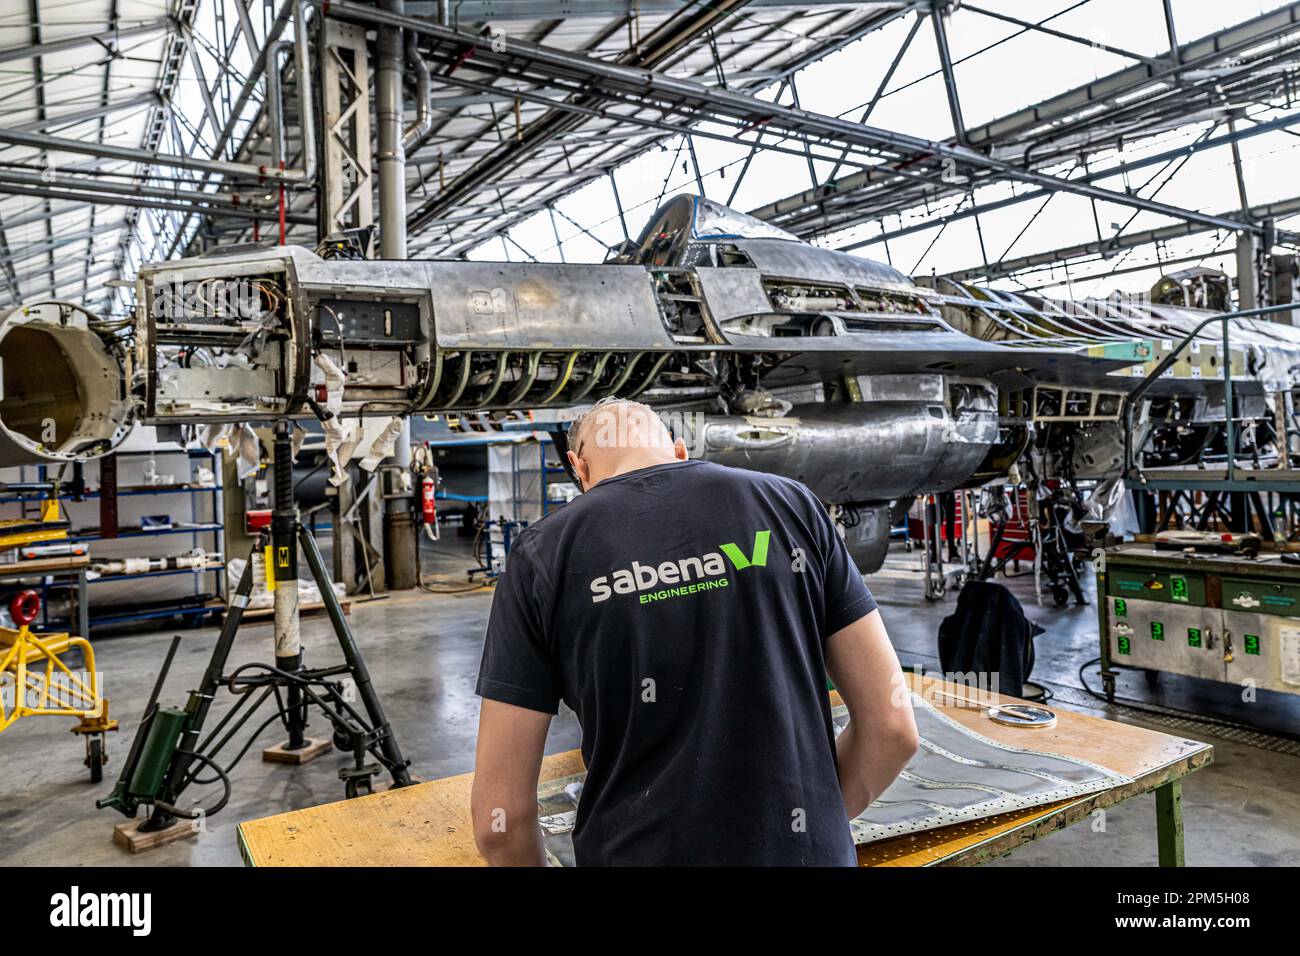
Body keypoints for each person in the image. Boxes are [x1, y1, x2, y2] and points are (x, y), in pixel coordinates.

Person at [471, 398, 917, 866]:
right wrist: (808, 833)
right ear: (679, 451)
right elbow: (893, 730)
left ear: (579, 468)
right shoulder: (793, 506)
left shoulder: (540, 558)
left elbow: (498, 820)